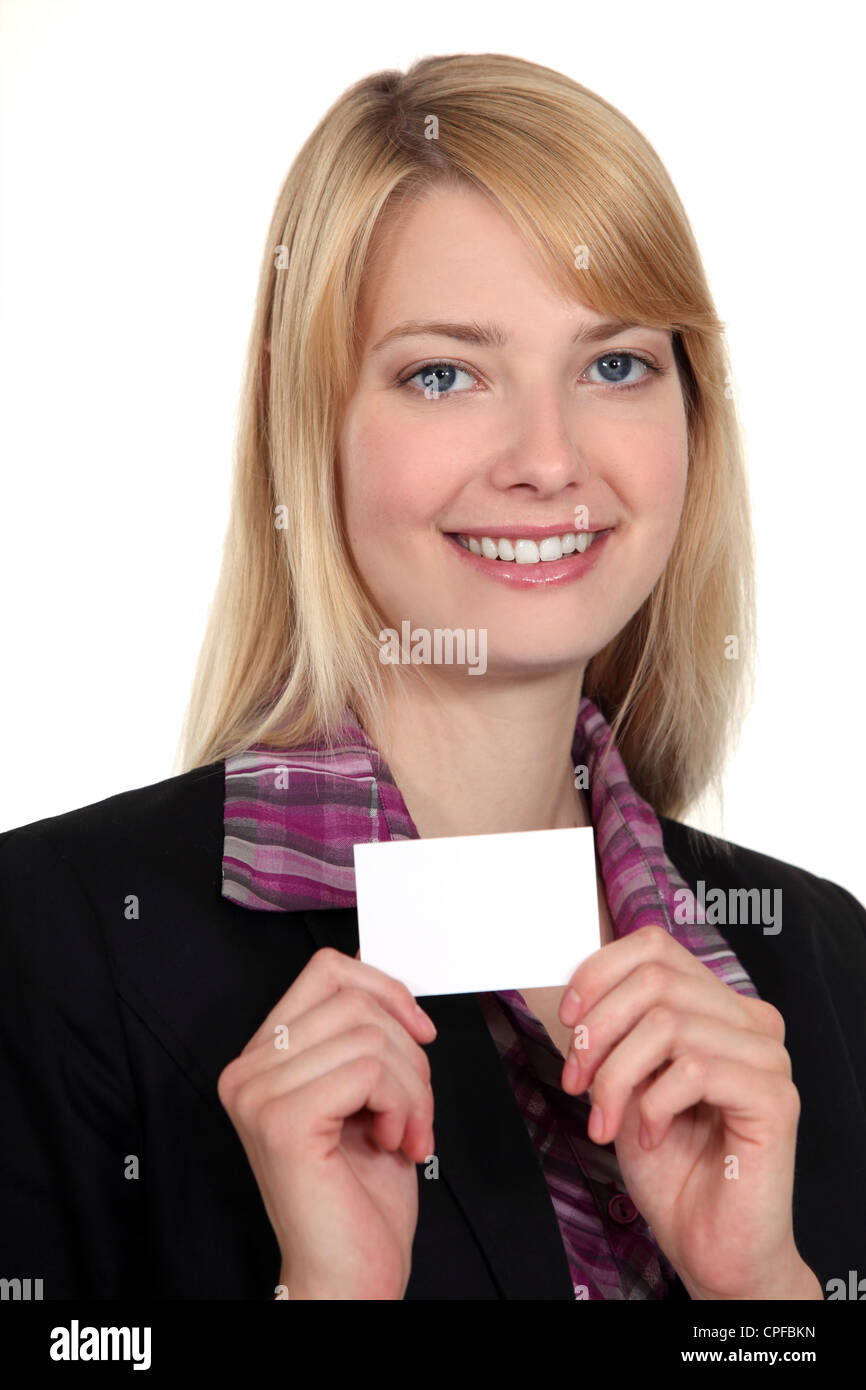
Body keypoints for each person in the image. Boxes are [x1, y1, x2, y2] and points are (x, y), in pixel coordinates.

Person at [1, 52, 864, 1302]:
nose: (546, 458)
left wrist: (762, 1299)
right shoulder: (50, 943)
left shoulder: (824, 968)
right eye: (443, 374)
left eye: (613, 363)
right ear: (314, 430)